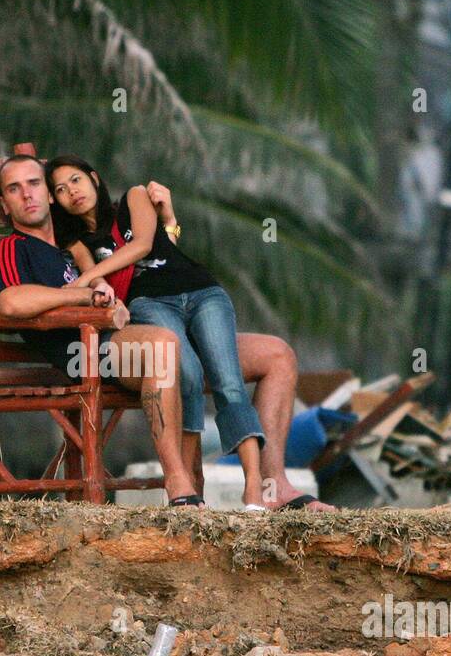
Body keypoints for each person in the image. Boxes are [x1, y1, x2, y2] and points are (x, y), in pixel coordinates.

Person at [46, 155, 332, 510]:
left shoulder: (134, 198)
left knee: (257, 366)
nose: (71, 192)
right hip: (150, 309)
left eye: (76, 180)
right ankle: (189, 488)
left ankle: (267, 488)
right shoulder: (78, 246)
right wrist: (92, 284)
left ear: (94, 177)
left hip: (198, 291)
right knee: (186, 369)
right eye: (60, 189)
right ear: (54, 201)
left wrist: (170, 222)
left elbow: (147, 247)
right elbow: (102, 284)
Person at [0, 154, 204, 506]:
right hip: (80, 356)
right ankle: (179, 484)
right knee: (163, 347)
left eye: (34, 184)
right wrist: (83, 294)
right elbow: (11, 302)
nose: (27, 194)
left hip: (129, 335)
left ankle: (240, 491)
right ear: (4, 205)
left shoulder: (74, 249)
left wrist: (170, 225)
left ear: (49, 195)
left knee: (266, 353)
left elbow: (147, 267)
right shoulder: (14, 248)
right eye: (14, 188)